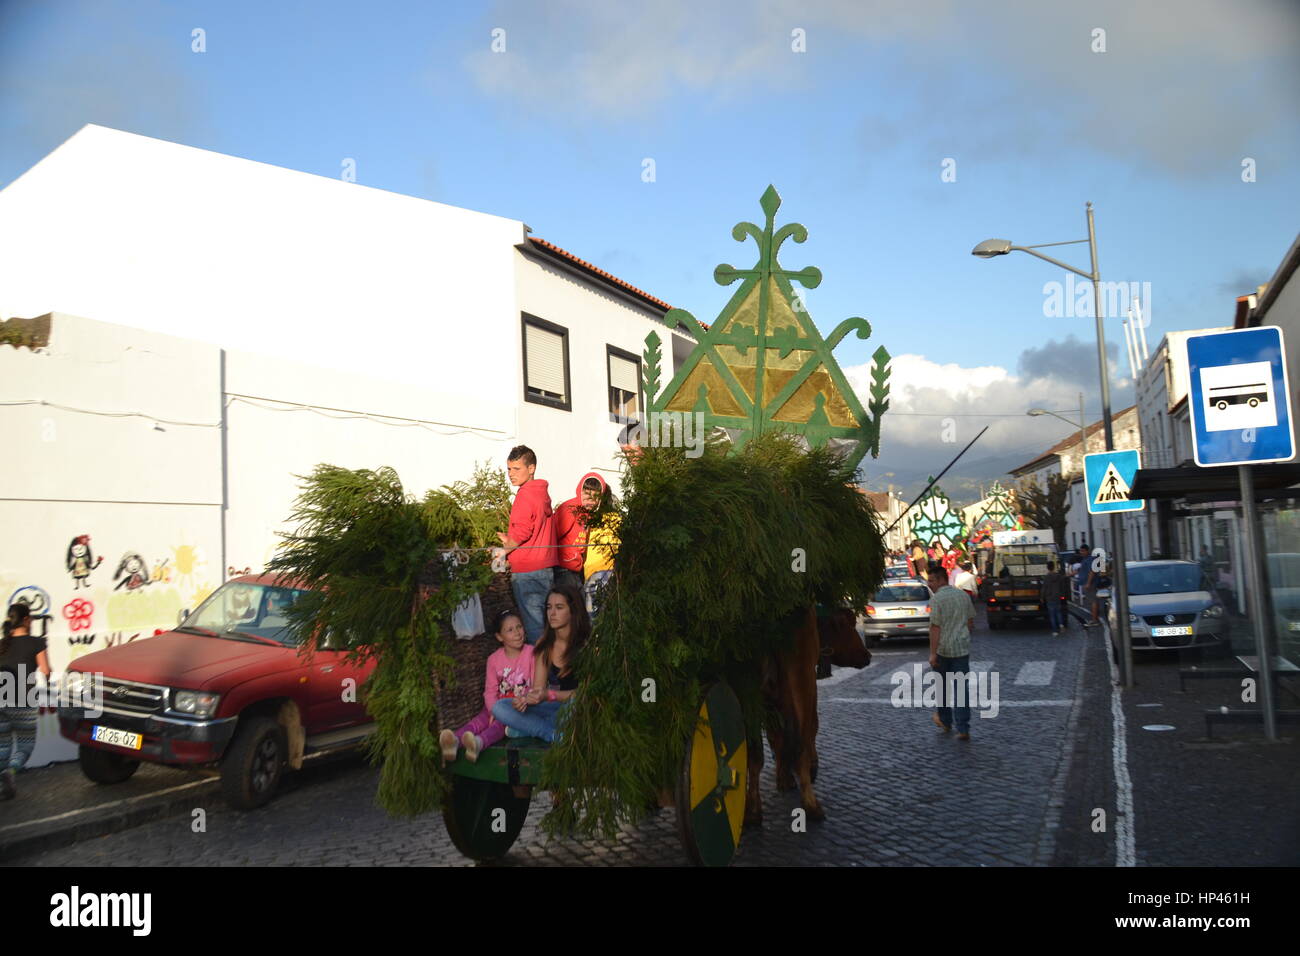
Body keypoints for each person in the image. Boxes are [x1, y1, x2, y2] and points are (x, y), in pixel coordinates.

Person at [491, 586, 589, 743]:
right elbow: (538, 690)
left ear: (572, 610)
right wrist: (525, 699)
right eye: (549, 608)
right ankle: (553, 735)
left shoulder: (586, 644)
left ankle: (530, 729)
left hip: (576, 707)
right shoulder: (544, 644)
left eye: (559, 607)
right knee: (500, 707)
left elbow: (588, 693)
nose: (552, 613)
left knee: (576, 704)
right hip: (552, 707)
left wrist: (550, 694)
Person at [439, 608, 534, 763]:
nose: (517, 633)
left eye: (519, 627)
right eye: (510, 630)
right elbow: (490, 692)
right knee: (480, 720)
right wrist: (494, 710)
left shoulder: (532, 653)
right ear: (499, 636)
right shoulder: (494, 659)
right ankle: (454, 741)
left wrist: (520, 703)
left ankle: (478, 743)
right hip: (496, 705)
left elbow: (536, 685)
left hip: (519, 707)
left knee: (499, 726)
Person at [497, 445, 556, 644]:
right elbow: (533, 529)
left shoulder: (525, 494)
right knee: (548, 628)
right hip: (544, 569)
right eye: (509, 469)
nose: (511, 474)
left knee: (534, 632)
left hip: (527, 573)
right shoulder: (541, 493)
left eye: (516, 469)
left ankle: (544, 675)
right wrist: (510, 539)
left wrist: (502, 551)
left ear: (531, 469)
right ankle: (553, 673)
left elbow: (523, 530)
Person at [0, 603, 50, 799]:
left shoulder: (3, 643)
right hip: (24, 700)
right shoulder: (36, 642)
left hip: (1, 700)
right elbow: (45, 670)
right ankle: (10, 773)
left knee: (2, 747)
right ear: (27, 620)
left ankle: (3, 788)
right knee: (25, 746)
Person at [927, 567, 975, 741]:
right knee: (961, 689)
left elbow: (935, 628)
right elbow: (970, 623)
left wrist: (933, 654)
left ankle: (946, 721)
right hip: (961, 650)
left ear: (941, 580)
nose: (928, 584)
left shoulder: (936, 600)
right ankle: (963, 728)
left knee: (942, 688)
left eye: (931, 580)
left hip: (943, 650)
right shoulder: (963, 596)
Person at [553, 473, 608, 593]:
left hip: (576, 569)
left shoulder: (590, 515)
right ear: (580, 491)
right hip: (563, 569)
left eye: (595, 497)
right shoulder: (570, 509)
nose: (590, 501)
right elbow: (552, 537)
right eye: (587, 495)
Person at [1041, 560, 1068, 636]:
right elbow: (1062, 587)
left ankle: (1055, 631)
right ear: (1054, 567)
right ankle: (1061, 625)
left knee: (1052, 615)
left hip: (1049, 597)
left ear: (1047, 568)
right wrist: (1062, 595)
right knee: (1058, 612)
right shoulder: (1059, 576)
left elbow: (1044, 588)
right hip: (1058, 596)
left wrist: (1042, 597)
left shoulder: (1046, 577)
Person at [1074, 544, 1096, 623]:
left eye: (1083, 551)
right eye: (1080, 551)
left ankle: (1094, 620)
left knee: (1093, 601)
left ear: (1087, 551)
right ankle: (1094, 618)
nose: (1081, 552)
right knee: (1090, 601)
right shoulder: (1085, 559)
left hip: (1089, 584)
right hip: (1085, 583)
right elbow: (1081, 570)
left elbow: (1092, 571)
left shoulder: (1089, 559)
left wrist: (1088, 583)